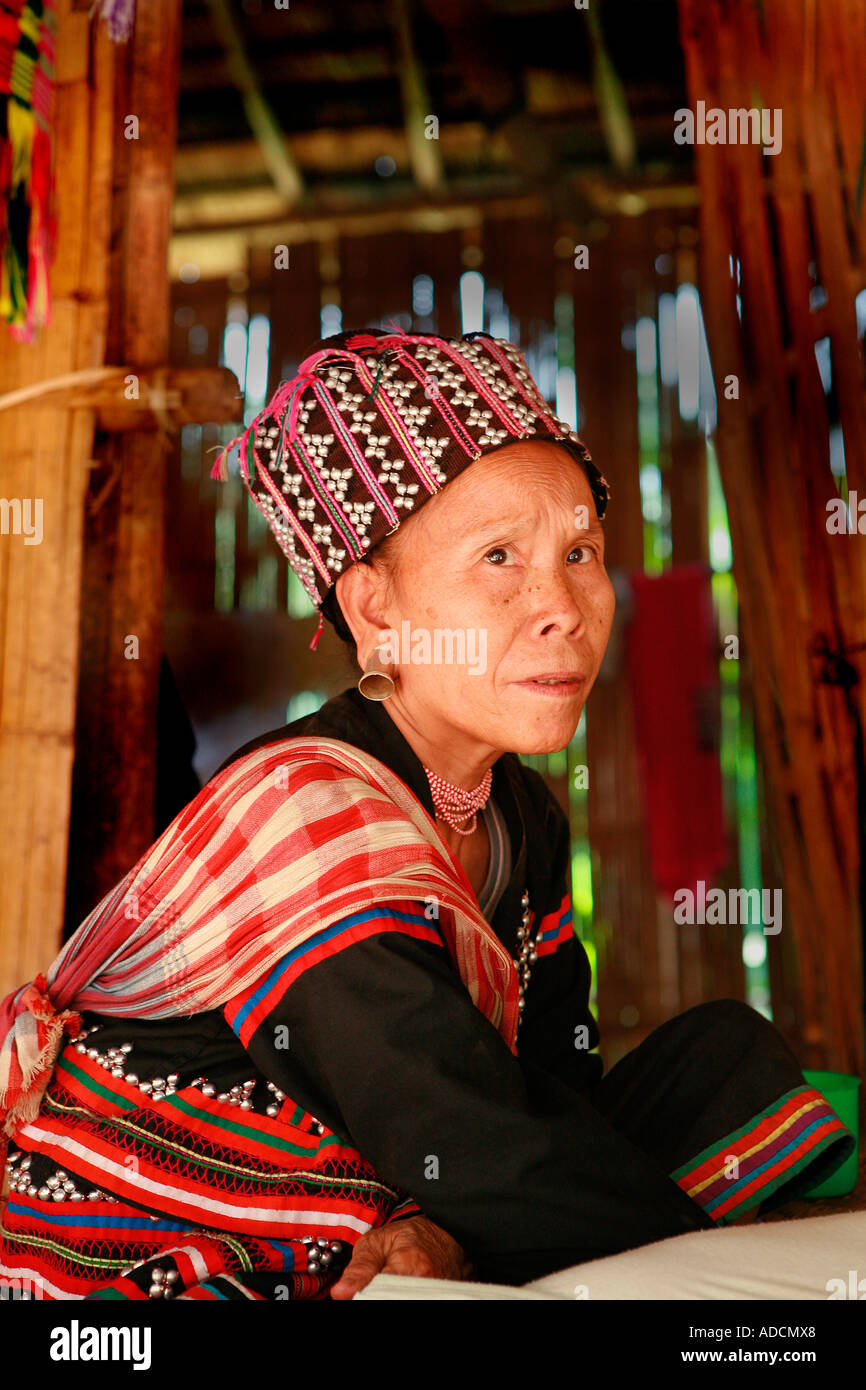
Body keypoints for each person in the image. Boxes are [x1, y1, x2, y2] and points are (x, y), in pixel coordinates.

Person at [0, 329, 854, 1301]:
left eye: (578, 552)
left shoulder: (519, 814)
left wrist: (463, 1220)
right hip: (193, 1193)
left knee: (722, 1054)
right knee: (473, 1186)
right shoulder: (306, 814)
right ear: (374, 613)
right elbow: (457, 1128)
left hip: (424, 1150)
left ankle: (469, 1239)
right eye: (499, 556)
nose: (561, 605)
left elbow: (549, 1084)